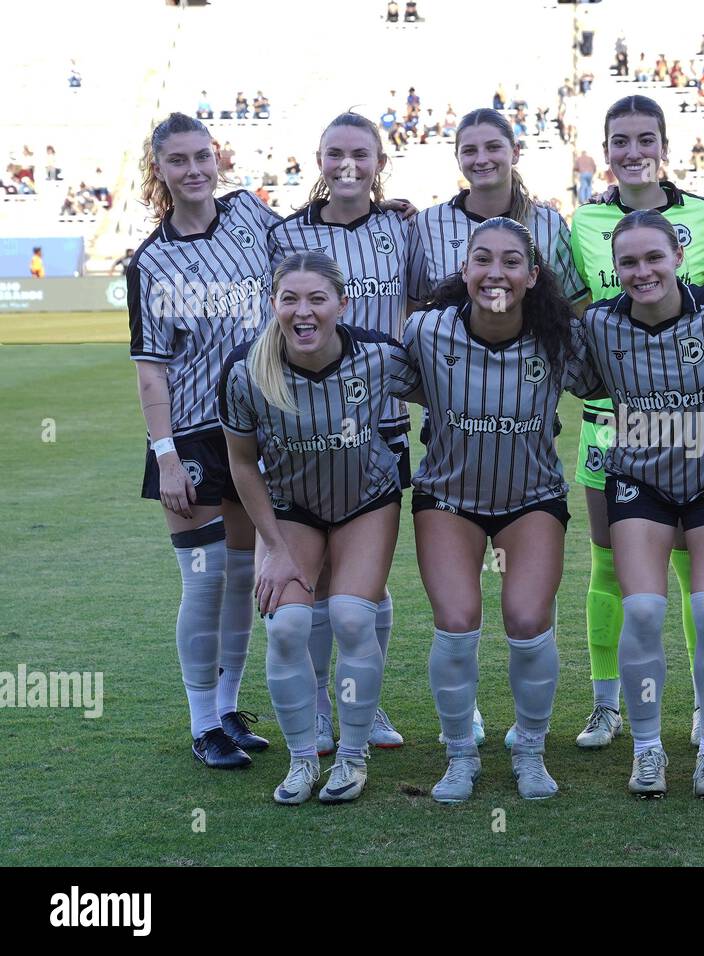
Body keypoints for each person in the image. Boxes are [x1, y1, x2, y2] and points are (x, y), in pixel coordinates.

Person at [570, 210, 704, 798]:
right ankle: (648, 748)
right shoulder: (600, 325)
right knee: (645, 611)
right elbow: (570, 375)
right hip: (639, 478)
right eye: (628, 262)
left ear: (678, 255)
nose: (642, 271)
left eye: (653, 257)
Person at [407, 107, 587, 747]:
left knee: (528, 616)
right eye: (482, 260)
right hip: (449, 496)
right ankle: (459, 751)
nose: (496, 274)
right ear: (464, 270)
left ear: (534, 275)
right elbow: (373, 371)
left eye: (512, 262)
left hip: (531, 496)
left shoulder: (563, 341)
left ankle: (531, 746)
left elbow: (621, 370)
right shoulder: (425, 332)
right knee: (456, 621)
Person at [219, 252, 420, 804]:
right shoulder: (246, 371)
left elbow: (446, 388)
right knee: (285, 629)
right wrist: (275, 549)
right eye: (289, 299)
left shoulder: (379, 356)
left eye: (316, 299)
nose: (302, 312)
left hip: (366, 500)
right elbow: (241, 464)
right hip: (290, 510)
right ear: (273, 304)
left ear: (341, 304)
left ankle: (352, 758)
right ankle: (303, 760)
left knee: (354, 616)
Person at [571, 95, 704, 751]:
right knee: (610, 564)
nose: (632, 150)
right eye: (619, 140)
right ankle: (608, 704)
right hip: (612, 421)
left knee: (701, 572)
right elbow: (564, 302)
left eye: (645, 138)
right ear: (605, 149)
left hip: (697, 426)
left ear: (664, 144)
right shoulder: (580, 221)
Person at [128, 112, 281, 769]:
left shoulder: (252, 215)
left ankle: (228, 709)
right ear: (158, 170)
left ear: (217, 158)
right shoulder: (150, 261)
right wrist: (164, 456)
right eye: (178, 161)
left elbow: (307, 261)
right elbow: (151, 373)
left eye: (202, 157)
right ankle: (202, 725)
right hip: (189, 437)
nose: (194, 170)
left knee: (243, 575)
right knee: (205, 577)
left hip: (259, 428)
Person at [269, 111, 418, 755]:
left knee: (367, 583)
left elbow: (423, 306)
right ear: (319, 159)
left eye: (361, 153)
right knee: (319, 582)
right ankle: (324, 708)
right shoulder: (285, 235)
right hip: (305, 434)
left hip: (382, 428)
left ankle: (366, 705)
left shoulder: (403, 228)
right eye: (335, 153)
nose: (347, 164)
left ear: (380, 162)